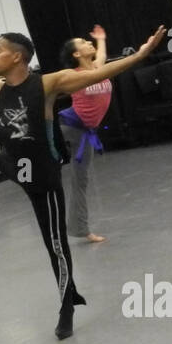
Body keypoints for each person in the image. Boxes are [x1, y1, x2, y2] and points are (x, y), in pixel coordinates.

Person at [0, 26, 166, 339]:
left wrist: (141, 55)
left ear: (17, 56)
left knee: (55, 244)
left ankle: (67, 304)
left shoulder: (48, 84)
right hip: (19, 170)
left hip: (43, 176)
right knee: (4, 141)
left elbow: (98, 73)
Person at [58, 24, 113, 243]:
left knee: (80, 180)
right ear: (76, 54)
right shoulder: (73, 76)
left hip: (85, 131)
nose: (87, 42)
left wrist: (101, 38)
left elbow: (102, 55)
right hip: (66, 125)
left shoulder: (98, 68)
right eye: (83, 42)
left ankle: (81, 229)